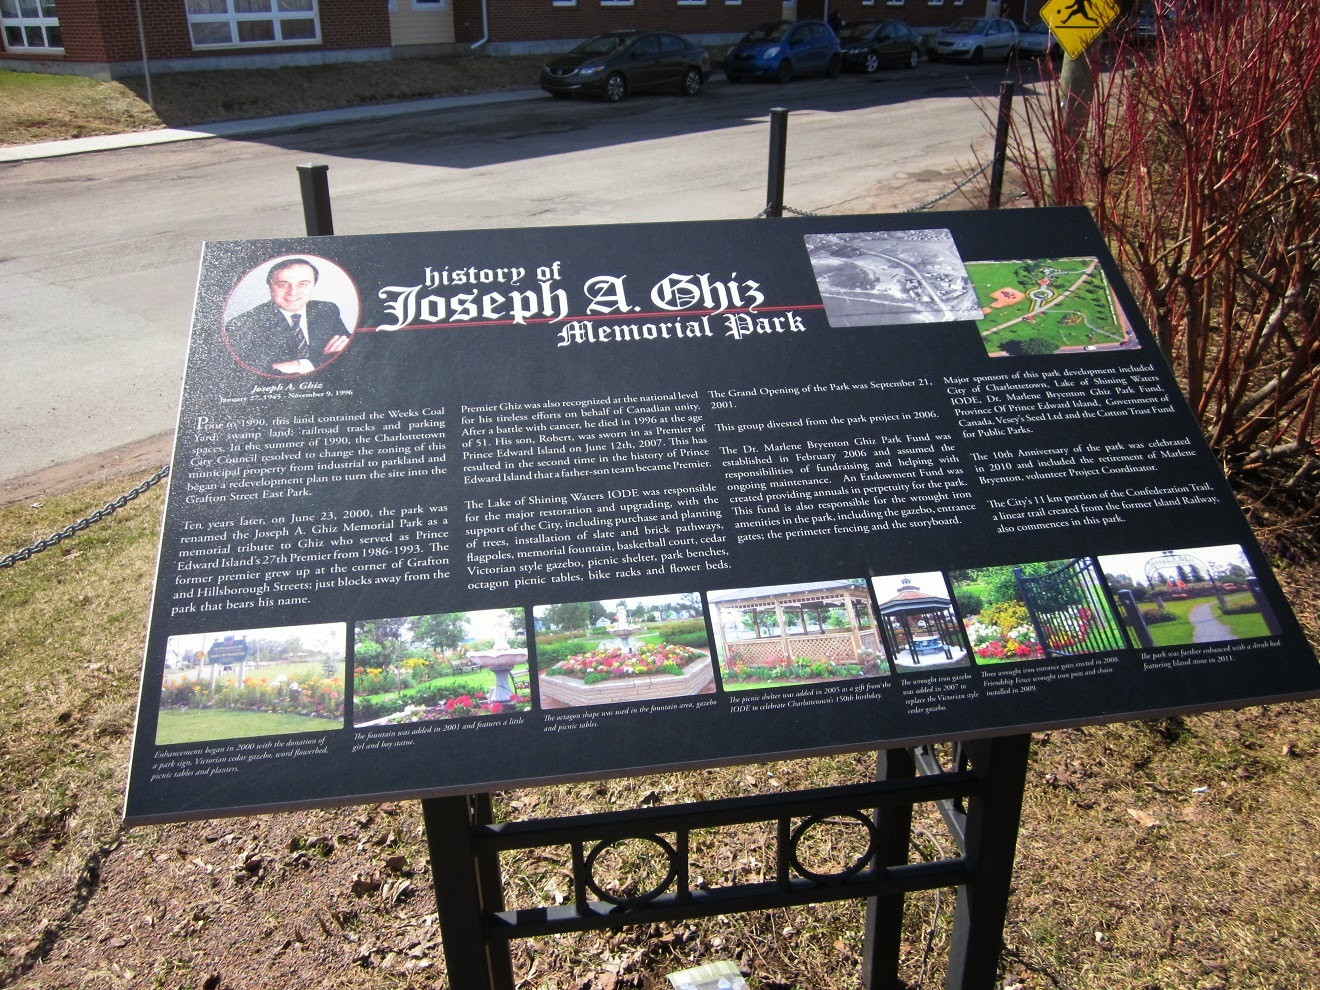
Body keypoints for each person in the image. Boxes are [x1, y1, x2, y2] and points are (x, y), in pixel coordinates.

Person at [225, 257, 352, 375]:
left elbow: (349, 351)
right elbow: (243, 375)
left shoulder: (327, 310)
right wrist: (323, 357)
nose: (293, 292)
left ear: (313, 285)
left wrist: (301, 364)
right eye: (282, 285)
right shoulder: (242, 324)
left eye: (302, 284)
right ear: (270, 287)